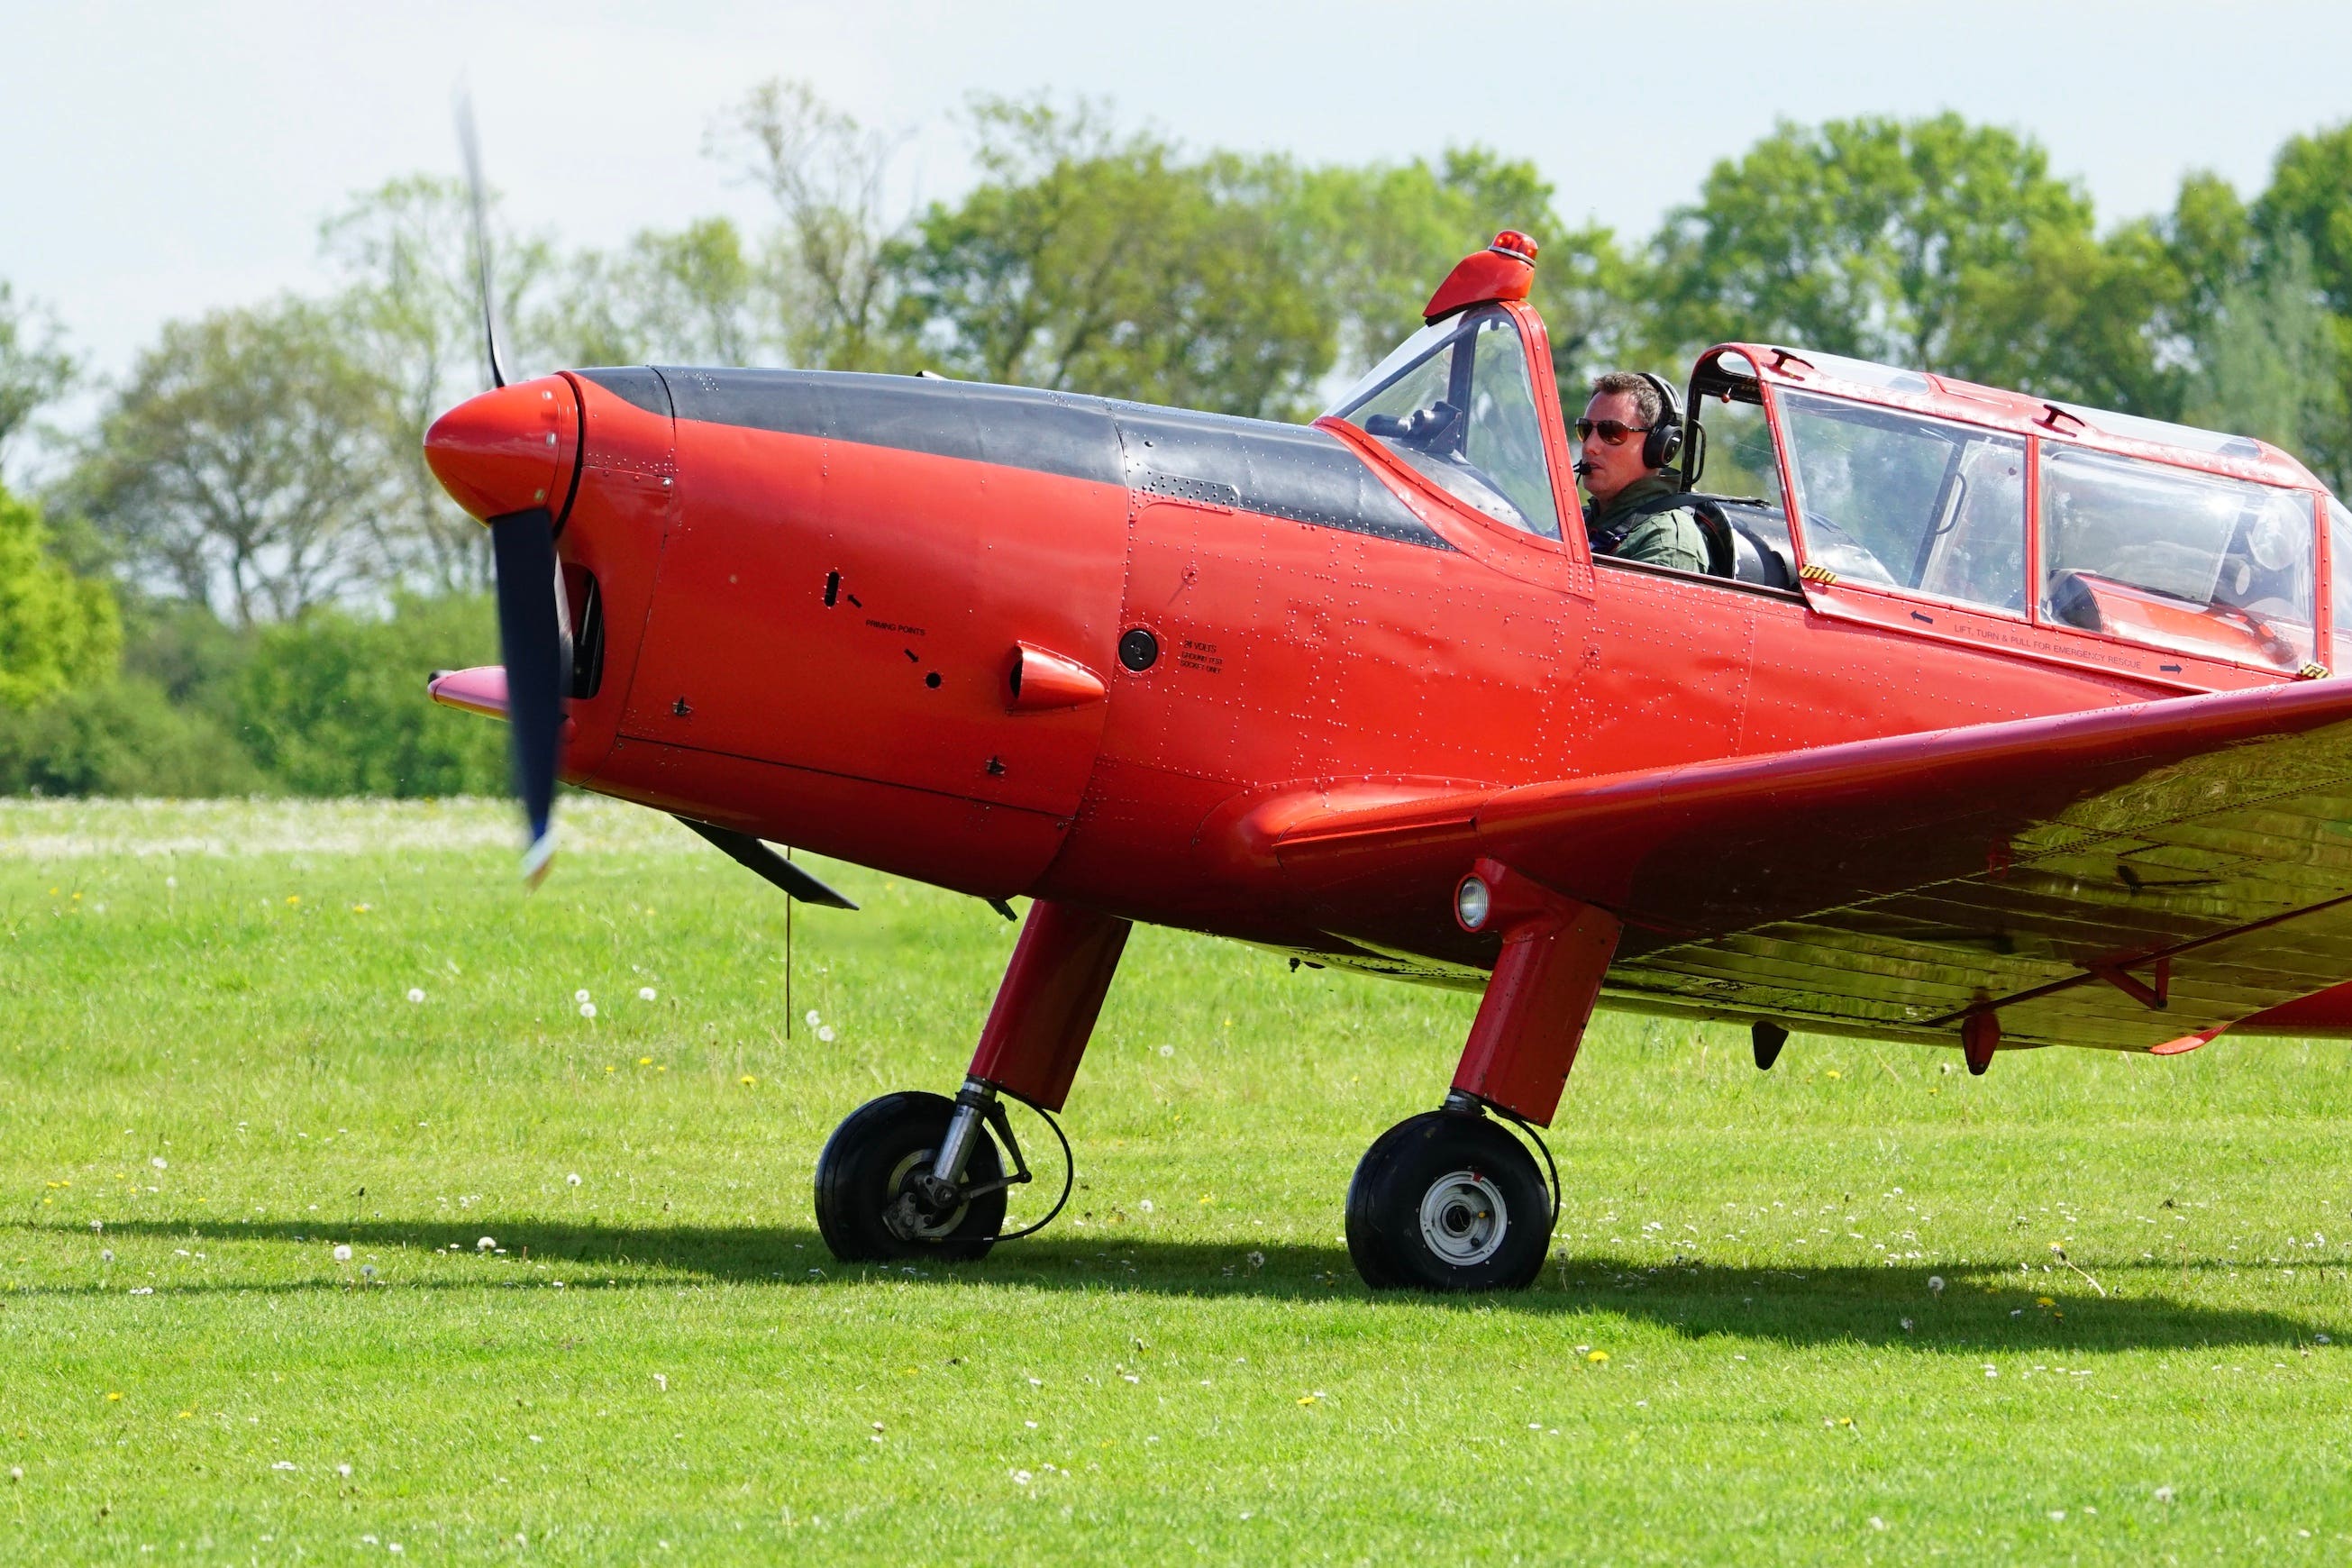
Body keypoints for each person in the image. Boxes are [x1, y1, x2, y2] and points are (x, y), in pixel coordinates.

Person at [1577, 371, 1709, 573]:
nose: (1589, 446)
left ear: (1659, 445)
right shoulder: (1576, 522)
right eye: (1586, 430)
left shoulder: (1666, 541)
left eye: (1611, 432)